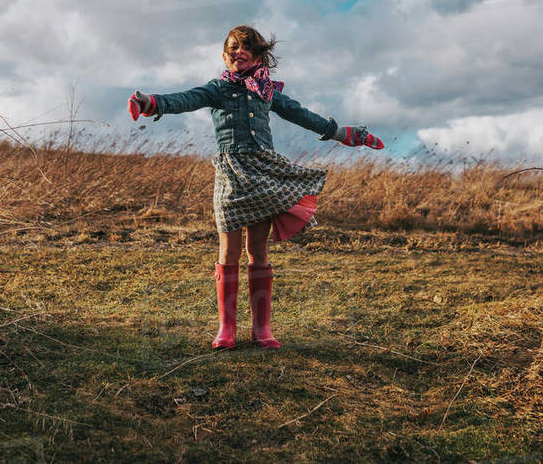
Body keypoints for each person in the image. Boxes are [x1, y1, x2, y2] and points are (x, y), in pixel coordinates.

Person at [127, 25, 385, 350]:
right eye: (233, 47)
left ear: (259, 55)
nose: (239, 50)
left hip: (262, 173)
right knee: (229, 252)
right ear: (224, 55)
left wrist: (345, 133)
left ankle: (262, 330)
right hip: (231, 176)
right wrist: (151, 102)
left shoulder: (267, 92)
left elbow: (303, 115)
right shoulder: (218, 89)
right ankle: (226, 330)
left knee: (257, 252)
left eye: (246, 46)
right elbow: (187, 98)